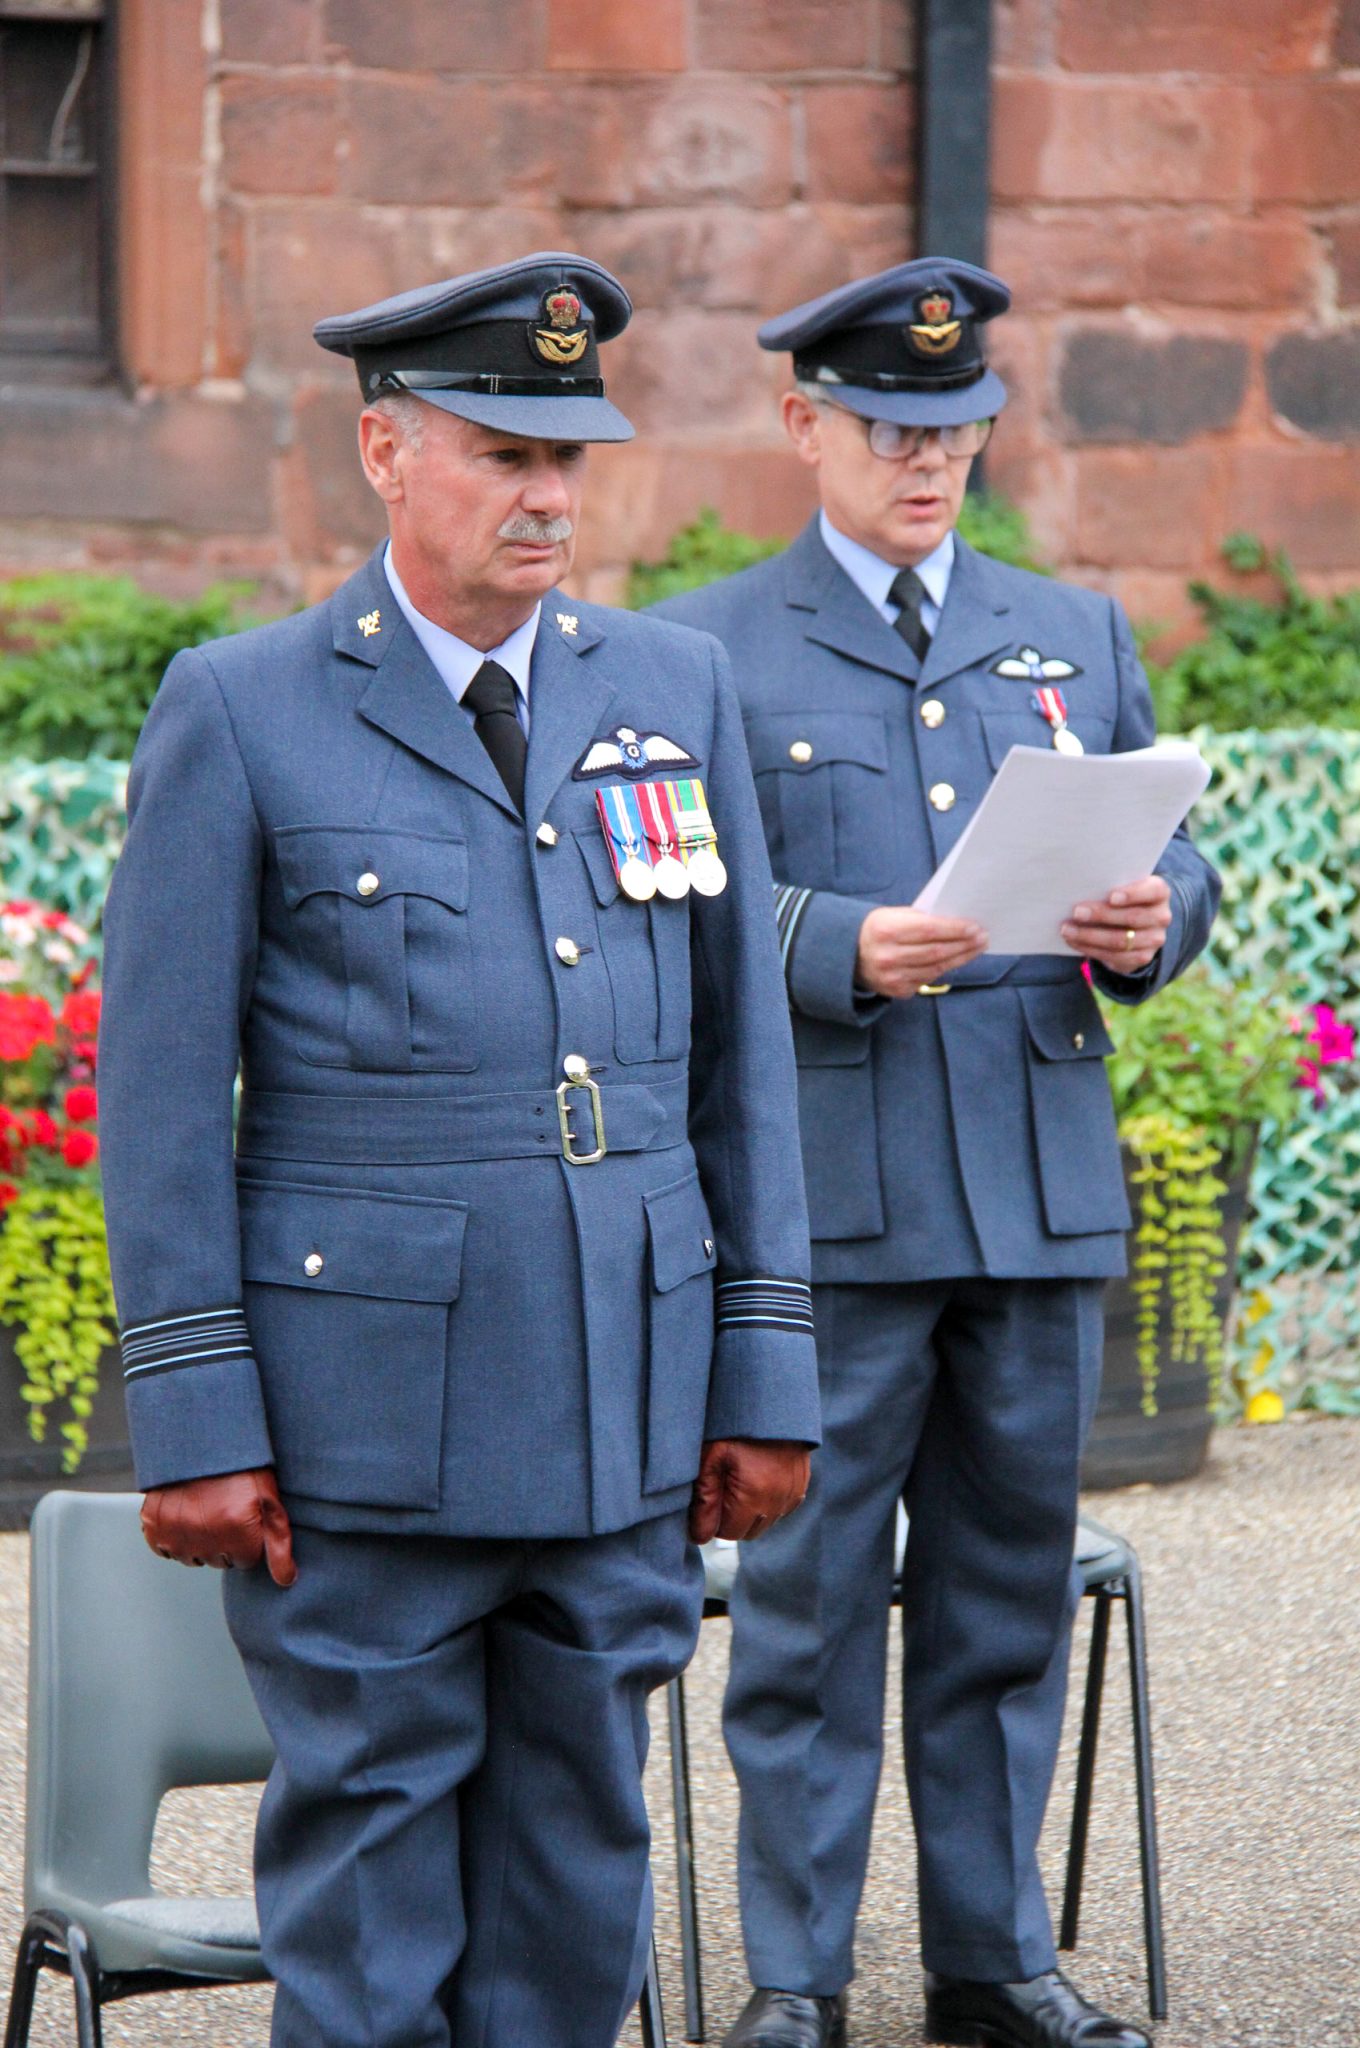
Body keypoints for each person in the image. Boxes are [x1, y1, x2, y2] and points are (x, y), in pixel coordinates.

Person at [96, 252, 821, 2048]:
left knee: (578, 1890)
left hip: (619, 1405)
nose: (548, 496)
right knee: (366, 1914)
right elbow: (164, 1099)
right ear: (384, 454)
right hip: (369, 1429)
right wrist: (195, 1419)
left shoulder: (672, 686)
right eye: (504, 454)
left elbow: (739, 1064)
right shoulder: (247, 706)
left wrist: (765, 1371)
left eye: (567, 459)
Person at [651, 258, 1220, 2048]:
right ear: (801, 423)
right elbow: (668, 897)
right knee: (808, 1616)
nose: (927, 463)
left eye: (955, 430)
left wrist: (1152, 915)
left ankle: (991, 1963)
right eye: (890, 430)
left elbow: (1167, 848)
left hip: (1030, 1192)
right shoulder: (701, 650)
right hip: (835, 1203)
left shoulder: (1070, 629)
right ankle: (796, 1980)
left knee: (1002, 1605)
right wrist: (835, 942)